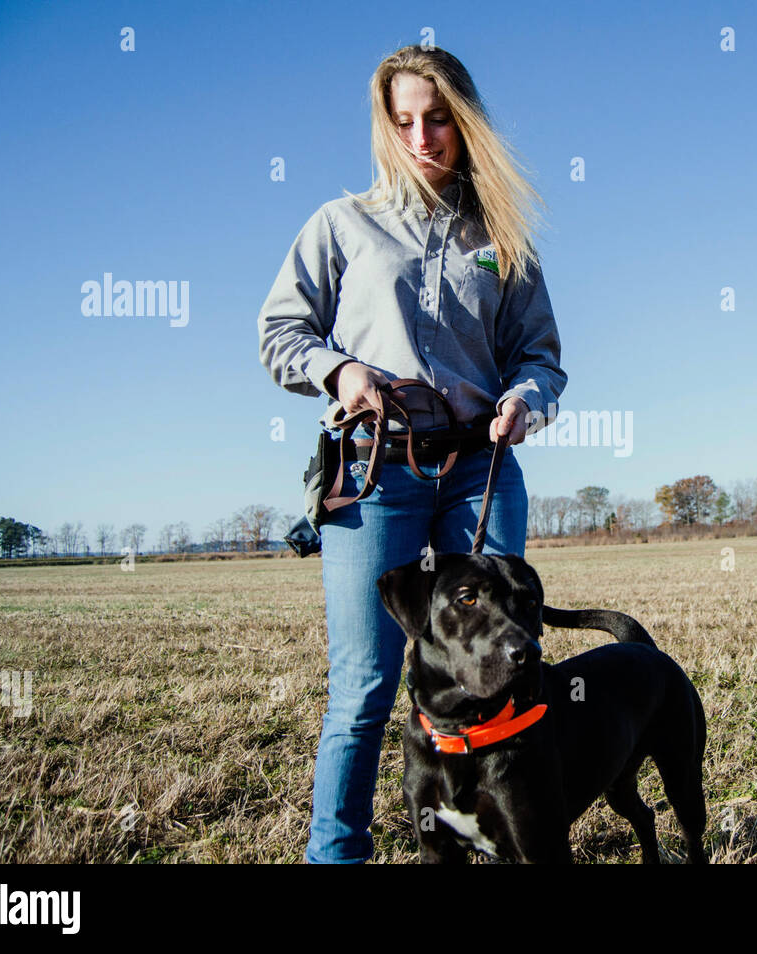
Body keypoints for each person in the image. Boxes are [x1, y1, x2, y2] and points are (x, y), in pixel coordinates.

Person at [257, 44, 566, 863]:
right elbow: (280, 333)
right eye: (404, 122)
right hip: (375, 473)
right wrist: (341, 368)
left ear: (465, 122)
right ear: (385, 126)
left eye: (438, 120)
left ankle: (506, 836)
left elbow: (540, 357)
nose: (422, 137)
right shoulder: (340, 224)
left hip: (479, 469)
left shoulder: (502, 237)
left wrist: (523, 400)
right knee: (363, 687)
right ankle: (338, 855)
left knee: (500, 666)